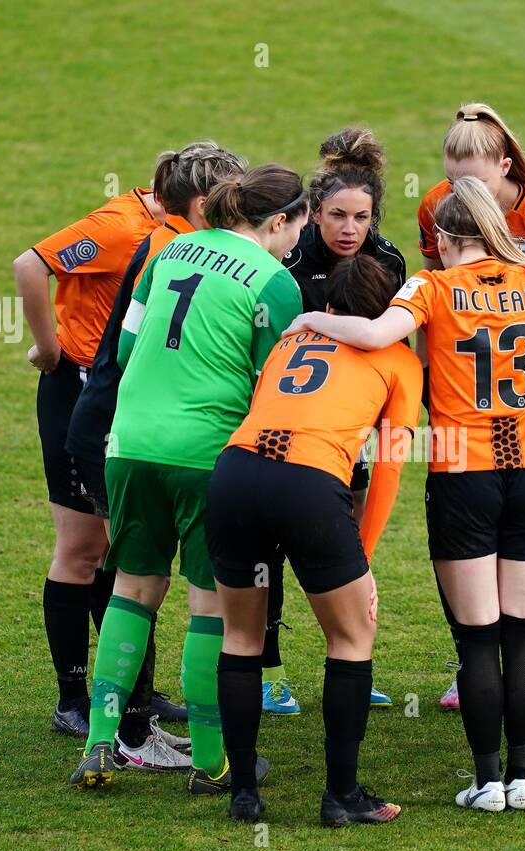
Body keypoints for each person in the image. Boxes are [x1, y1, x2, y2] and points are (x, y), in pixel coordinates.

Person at [284, 177, 525, 812]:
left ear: (451, 240)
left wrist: (311, 317)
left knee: (479, 639)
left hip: (462, 475)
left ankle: (487, 783)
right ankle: (524, 779)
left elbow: (374, 336)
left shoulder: (431, 286)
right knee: (522, 637)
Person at [70, 164, 308, 792]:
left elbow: (123, 350)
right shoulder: (275, 283)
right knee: (211, 608)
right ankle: (211, 761)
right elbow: (274, 387)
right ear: (280, 221)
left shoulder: (170, 251)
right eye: (300, 224)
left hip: (129, 444)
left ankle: (100, 742)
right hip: (207, 455)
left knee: (132, 589)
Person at [207, 255, 423, 825]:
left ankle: (244, 794)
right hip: (307, 483)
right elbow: (392, 466)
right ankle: (341, 795)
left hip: (234, 474)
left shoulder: (290, 340)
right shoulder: (399, 359)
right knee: (352, 638)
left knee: (241, 637)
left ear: (328, 306)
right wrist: (364, 556)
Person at [64, 141, 246, 771]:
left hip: (121, 432)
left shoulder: (163, 245)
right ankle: (150, 739)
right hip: (151, 435)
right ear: (208, 202)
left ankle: (111, 734)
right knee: (169, 588)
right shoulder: (182, 253)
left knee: (135, 583)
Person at [14, 171, 182, 738]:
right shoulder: (119, 227)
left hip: (116, 393)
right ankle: (72, 698)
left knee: (124, 542)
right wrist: (49, 348)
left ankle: (135, 692)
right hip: (77, 391)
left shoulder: (169, 231)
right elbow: (30, 264)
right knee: (82, 548)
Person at [415, 103, 525, 712]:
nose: (460, 192)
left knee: (518, 518)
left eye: (473, 180)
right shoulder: (436, 206)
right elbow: (437, 280)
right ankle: (477, 650)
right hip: (464, 381)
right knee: (488, 525)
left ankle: (513, 641)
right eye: (452, 180)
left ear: (505, 166)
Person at [264, 126, 407, 714]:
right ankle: (270, 672)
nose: (350, 229)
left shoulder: (388, 260)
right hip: (285, 426)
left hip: (351, 430)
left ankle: (345, 655)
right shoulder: (288, 263)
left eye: (362, 217)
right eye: (337, 216)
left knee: (343, 545)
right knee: (266, 551)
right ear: (314, 213)